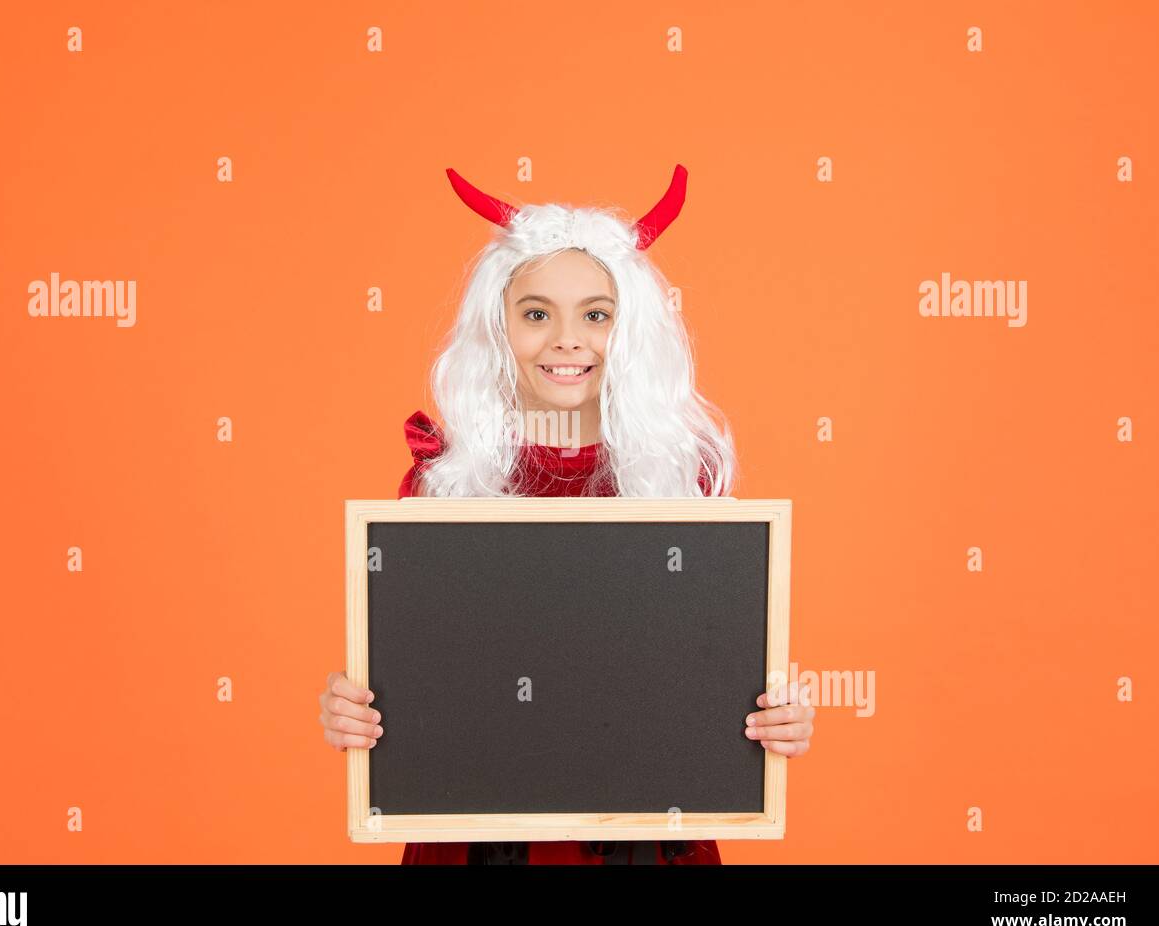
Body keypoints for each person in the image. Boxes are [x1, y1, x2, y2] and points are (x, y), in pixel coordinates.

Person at [320, 165, 815, 864]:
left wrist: (780, 714)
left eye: (596, 313)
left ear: (631, 328)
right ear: (499, 326)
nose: (566, 339)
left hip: (648, 842)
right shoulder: (442, 479)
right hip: (475, 841)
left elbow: (717, 666)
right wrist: (357, 707)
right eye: (535, 313)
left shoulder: (685, 480)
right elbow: (412, 674)